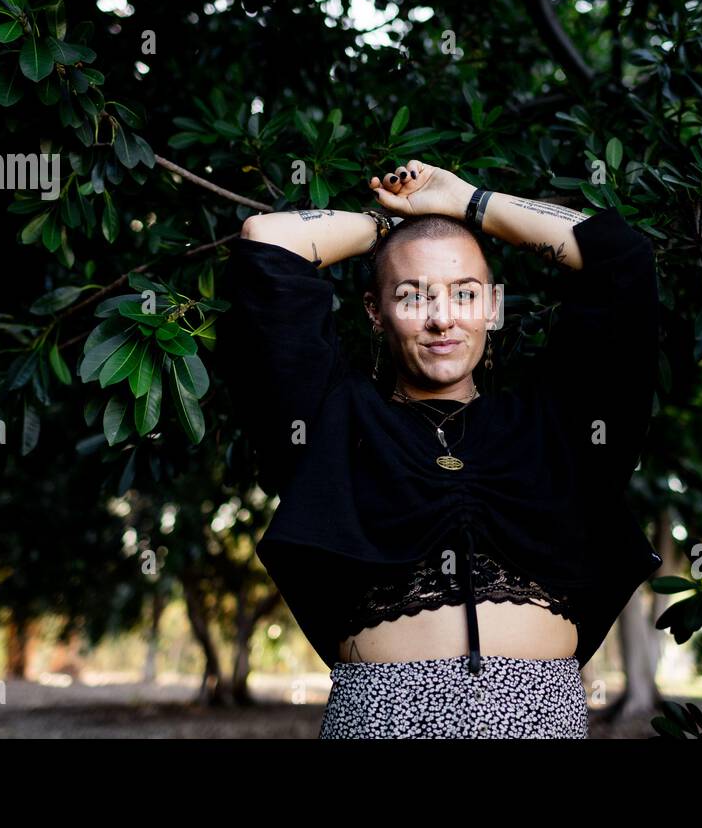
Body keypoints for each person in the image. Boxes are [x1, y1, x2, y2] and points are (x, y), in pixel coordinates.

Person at [220, 159, 663, 738]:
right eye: (411, 296)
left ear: (493, 307)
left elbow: (620, 257)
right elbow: (268, 240)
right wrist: (391, 226)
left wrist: (468, 204)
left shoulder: (555, 424)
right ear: (375, 312)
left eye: (465, 293)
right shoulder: (333, 420)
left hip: (538, 720)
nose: (442, 319)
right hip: (383, 721)